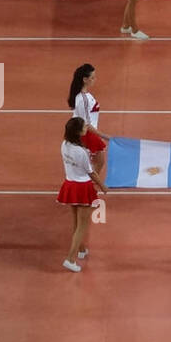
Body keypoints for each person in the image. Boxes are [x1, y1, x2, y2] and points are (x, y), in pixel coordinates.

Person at [57, 116, 106, 273]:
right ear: (78, 132)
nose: (87, 127)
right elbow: (91, 173)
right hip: (82, 187)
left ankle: (81, 249)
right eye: (84, 126)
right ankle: (70, 259)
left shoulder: (64, 145)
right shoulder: (81, 152)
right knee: (82, 226)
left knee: (76, 223)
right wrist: (103, 186)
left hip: (70, 185)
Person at [69, 63, 110, 179]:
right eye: (92, 77)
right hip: (86, 133)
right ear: (85, 79)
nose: (94, 80)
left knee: (94, 162)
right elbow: (86, 124)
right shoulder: (83, 99)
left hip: (87, 131)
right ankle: (89, 185)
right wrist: (104, 136)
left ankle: (89, 184)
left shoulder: (84, 96)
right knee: (97, 162)